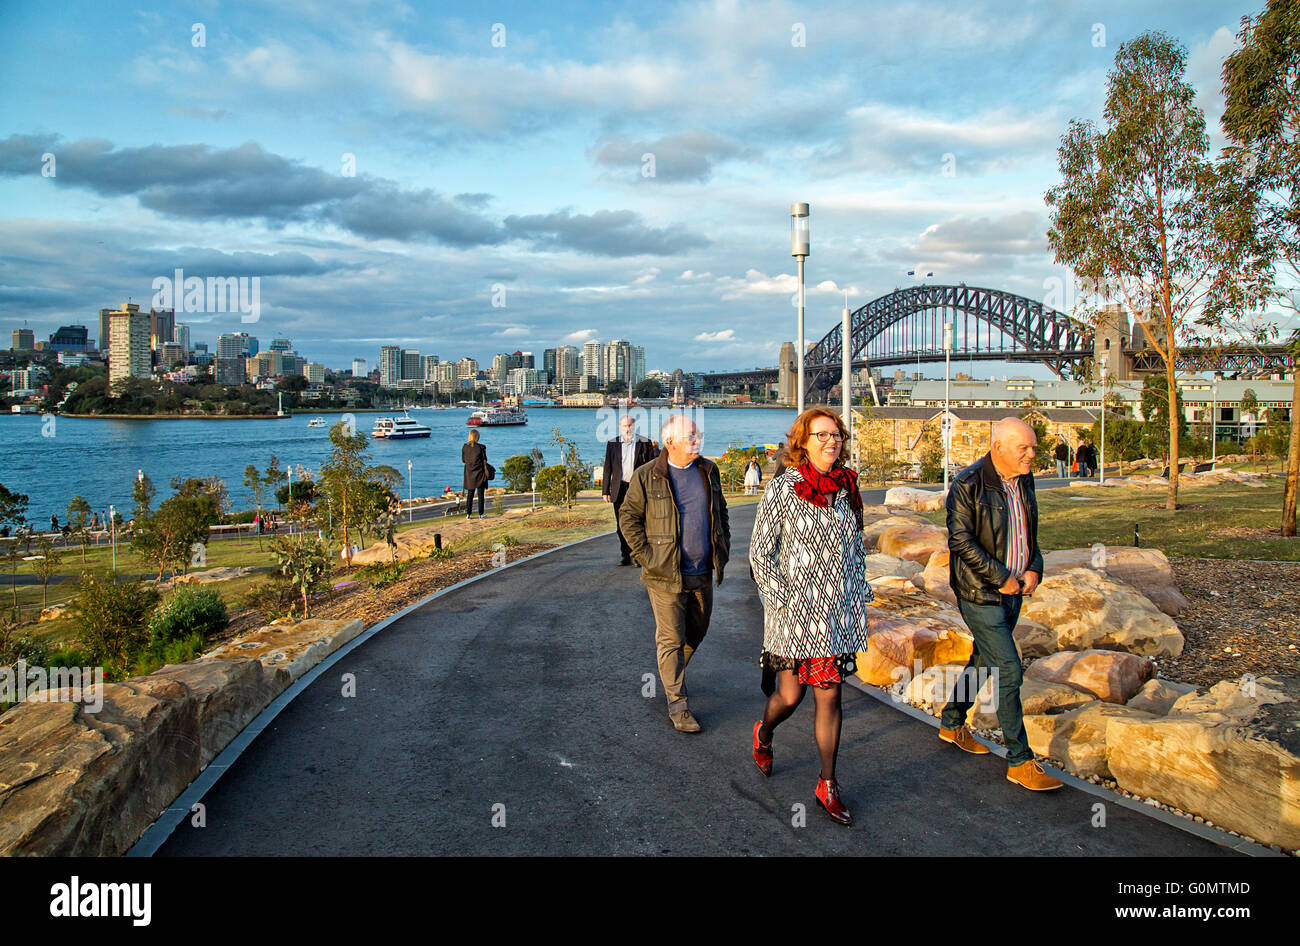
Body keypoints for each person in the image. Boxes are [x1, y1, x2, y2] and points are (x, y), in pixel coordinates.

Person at [749, 408, 870, 826]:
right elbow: (760, 554)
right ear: (803, 442)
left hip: (834, 613)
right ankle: (764, 735)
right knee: (790, 697)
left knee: (830, 694)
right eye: (821, 435)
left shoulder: (848, 486)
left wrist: (858, 589)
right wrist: (781, 600)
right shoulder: (785, 488)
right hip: (793, 614)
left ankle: (828, 784)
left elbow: (856, 546)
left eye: (836, 435)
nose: (831, 441)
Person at [938, 416, 1062, 791]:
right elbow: (960, 541)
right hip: (980, 592)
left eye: (1034, 447)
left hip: (1016, 590)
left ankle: (952, 720)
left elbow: (1029, 533)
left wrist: (1035, 568)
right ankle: (1020, 762)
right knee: (1008, 668)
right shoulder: (968, 484)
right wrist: (1002, 577)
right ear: (999, 448)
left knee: (984, 658)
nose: (1032, 454)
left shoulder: (1024, 479)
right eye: (1024, 448)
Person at [620, 415, 730, 733]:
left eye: (698, 435)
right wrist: (647, 557)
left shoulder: (709, 471)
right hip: (664, 574)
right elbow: (628, 518)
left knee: (697, 632)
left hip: (702, 572)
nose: (697, 441)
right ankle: (677, 704)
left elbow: (720, 512)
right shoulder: (646, 477)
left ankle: (671, 674)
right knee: (670, 638)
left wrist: (722, 547)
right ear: (670, 442)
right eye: (691, 436)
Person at [602, 414, 658, 566]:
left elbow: (652, 468)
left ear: (634, 426)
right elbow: (608, 467)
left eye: (630, 426)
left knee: (639, 523)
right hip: (618, 488)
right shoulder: (612, 443)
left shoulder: (645, 443)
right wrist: (605, 491)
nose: (627, 429)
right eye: (624, 426)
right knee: (621, 524)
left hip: (638, 489)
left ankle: (637, 555)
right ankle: (625, 555)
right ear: (620, 427)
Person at [462, 429, 489, 520]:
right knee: (480, 494)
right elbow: (485, 459)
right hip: (479, 473)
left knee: (470, 494)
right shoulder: (481, 447)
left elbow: (463, 460)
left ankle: (468, 514)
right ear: (477, 437)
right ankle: (481, 514)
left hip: (469, 473)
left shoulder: (465, 447)